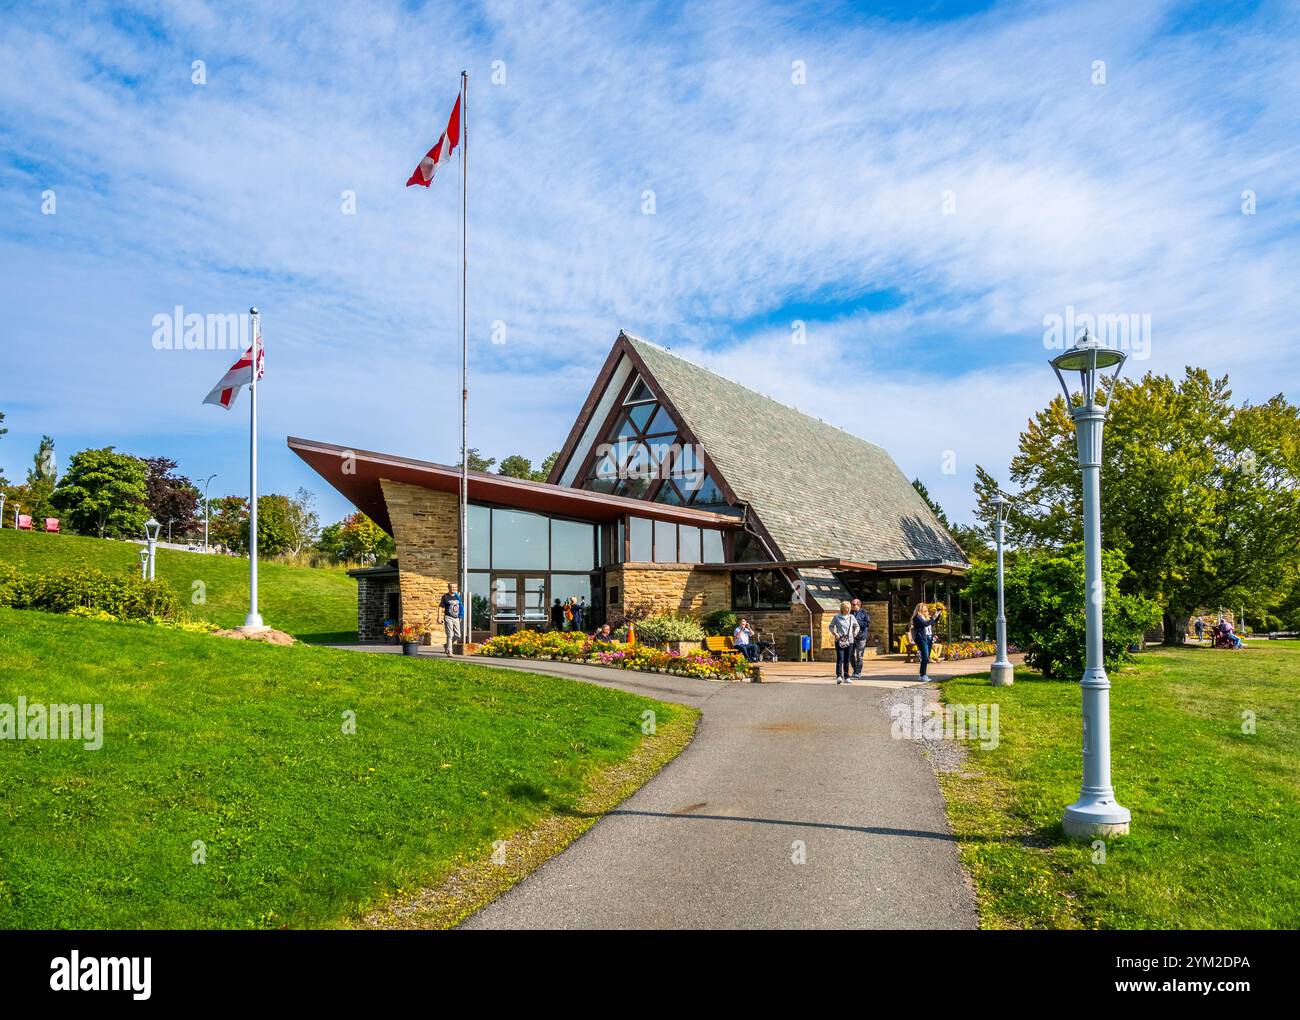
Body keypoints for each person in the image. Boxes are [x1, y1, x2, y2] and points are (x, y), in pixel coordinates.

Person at [829, 601, 860, 684]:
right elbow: (831, 626)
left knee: (847, 659)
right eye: (847, 608)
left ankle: (847, 677)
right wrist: (835, 633)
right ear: (843, 609)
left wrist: (855, 632)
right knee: (840, 658)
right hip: (839, 640)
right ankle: (839, 676)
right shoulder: (837, 617)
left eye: (849, 608)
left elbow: (857, 626)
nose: (849, 609)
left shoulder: (852, 617)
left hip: (850, 640)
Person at [849, 598, 871, 679]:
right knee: (851, 654)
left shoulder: (864, 612)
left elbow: (867, 623)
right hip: (852, 637)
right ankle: (855, 670)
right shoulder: (850, 613)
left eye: (853, 604)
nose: (852, 605)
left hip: (861, 637)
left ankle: (858, 672)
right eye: (851, 604)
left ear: (858, 605)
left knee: (859, 655)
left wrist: (856, 622)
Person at [439, 582, 463, 655]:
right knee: (450, 634)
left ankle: (448, 645)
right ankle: (449, 651)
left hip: (456, 618)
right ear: (449, 588)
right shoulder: (445, 596)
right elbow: (440, 607)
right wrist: (439, 617)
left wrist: (460, 616)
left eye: (455, 587)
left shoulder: (457, 596)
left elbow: (460, 606)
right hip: (448, 617)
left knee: (458, 635)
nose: (454, 589)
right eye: (452, 587)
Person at [911, 603, 934, 680]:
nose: (926, 610)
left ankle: (922, 675)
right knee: (925, 657)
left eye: (926, 608)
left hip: (929, 638)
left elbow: (932, 622)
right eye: (924, 608)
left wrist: (937, 614)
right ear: (920, 609)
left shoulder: (925, 617)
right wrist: (933, 618)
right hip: (922, 638)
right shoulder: (917, 618)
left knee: (927, 657)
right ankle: (922, 675)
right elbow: (925, 624)